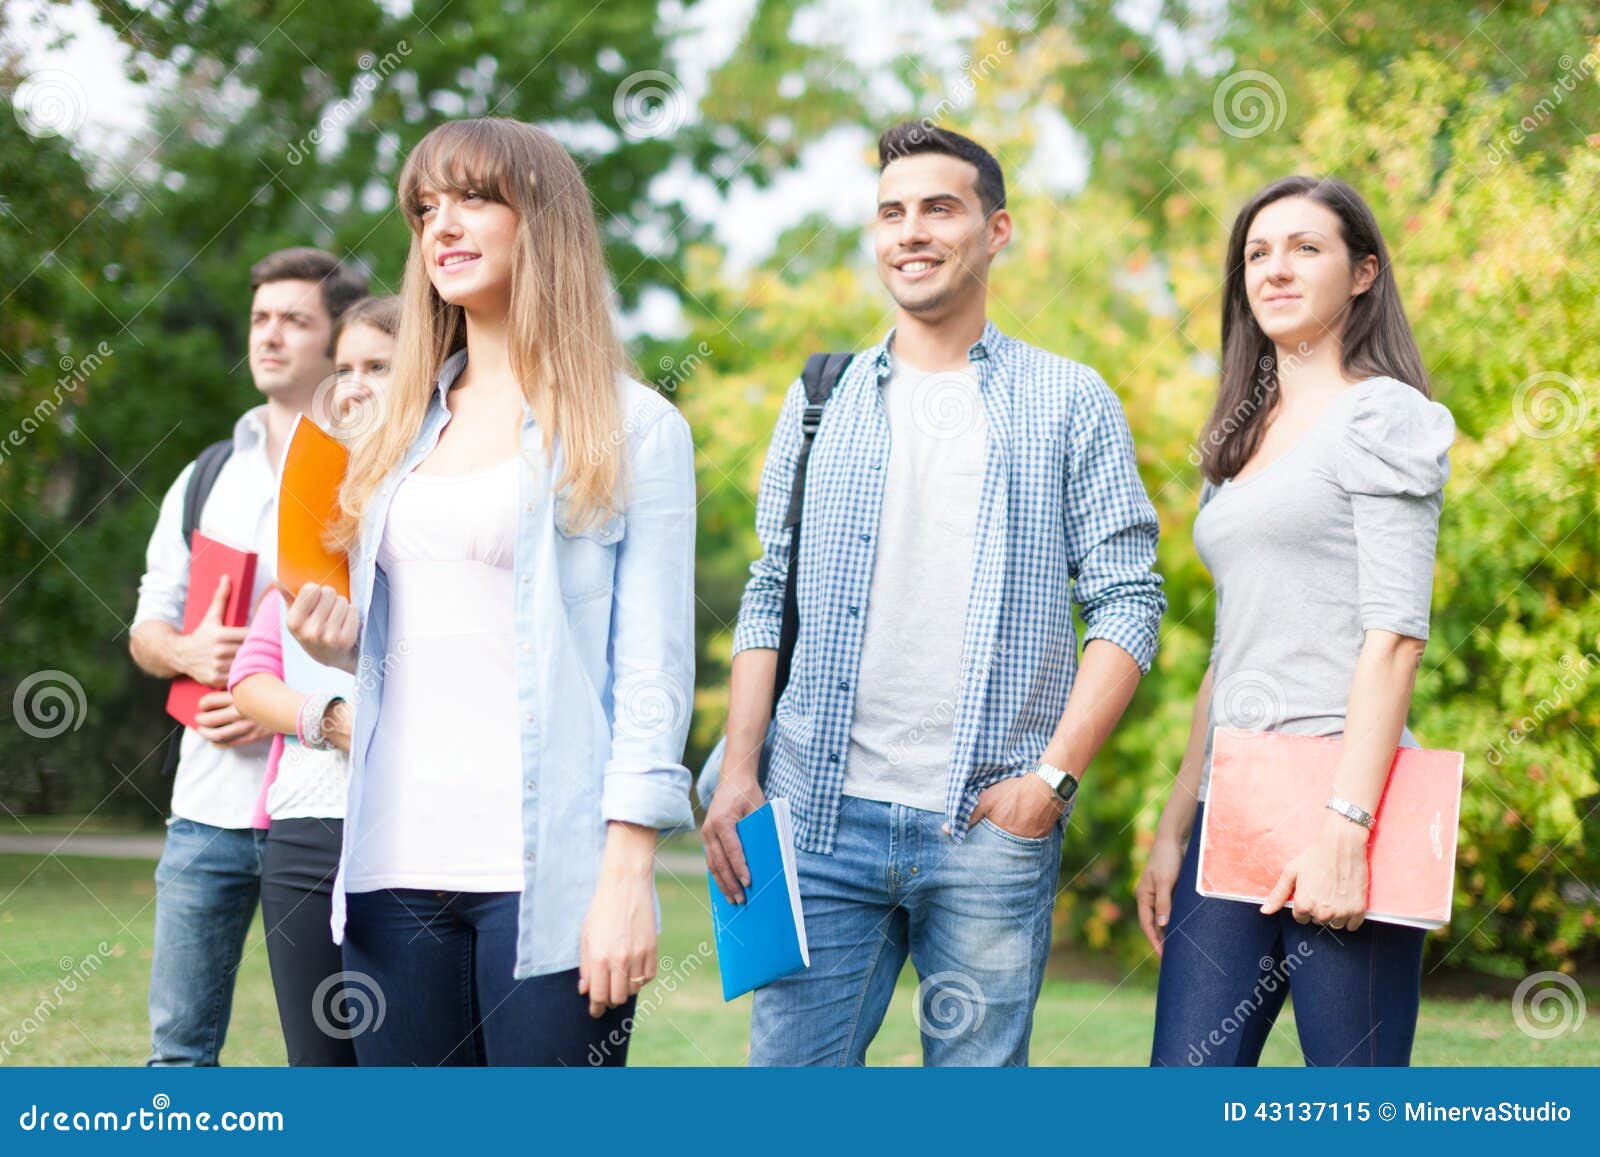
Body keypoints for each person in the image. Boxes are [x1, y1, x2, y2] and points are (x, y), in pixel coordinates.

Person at [703, 122, 1166, 1066]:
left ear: (995, 231)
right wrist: (740, 769)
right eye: (891, 213)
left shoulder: (1069, 400)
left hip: (988, 828)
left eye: (939, 209)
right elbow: (768, 587)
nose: (910, 232)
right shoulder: (819, 395)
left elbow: (1129, 599)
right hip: (816, 814)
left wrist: (1052, 780)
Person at [286, 116, 697, 1066]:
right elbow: (421, 639)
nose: (443, 225)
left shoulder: (636, 428)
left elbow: (652, 669)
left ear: (541, 221)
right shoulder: (392, 433)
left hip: (548, 876)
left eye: (475, 198)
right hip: (390, 867)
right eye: (426, 208)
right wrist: (338, 639)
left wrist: (627, 870)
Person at [1138, 175, 1455, 1067]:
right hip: (1232, 800)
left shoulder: (1383, 415)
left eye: (1305, 248)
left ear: (1363, 272)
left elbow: (1396, 637)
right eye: (1257, 252)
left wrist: (1345, 830)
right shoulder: (1237, 443)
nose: (1275, 269)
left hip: (1345, 796)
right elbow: (1230, 652)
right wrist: (1174, 828)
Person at [129, 248, 369, 1065]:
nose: (270, 336)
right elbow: (147, 626)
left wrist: (271, 698)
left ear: (336, 337)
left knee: (342, 1058)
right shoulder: (208, 476)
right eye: (261, 317)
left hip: (326, 807)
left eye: (295, 320)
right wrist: (191, 652)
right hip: (208, 809)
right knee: (179, 1052)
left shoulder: (369, 473)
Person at [228, 294, 399, 1066]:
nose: (353, 386)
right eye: (345, 369)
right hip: (308, 829)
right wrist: (331, 719)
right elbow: (250, 677)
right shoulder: (317, 511)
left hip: (414, 832)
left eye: (378, 367)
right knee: (322, 1072)